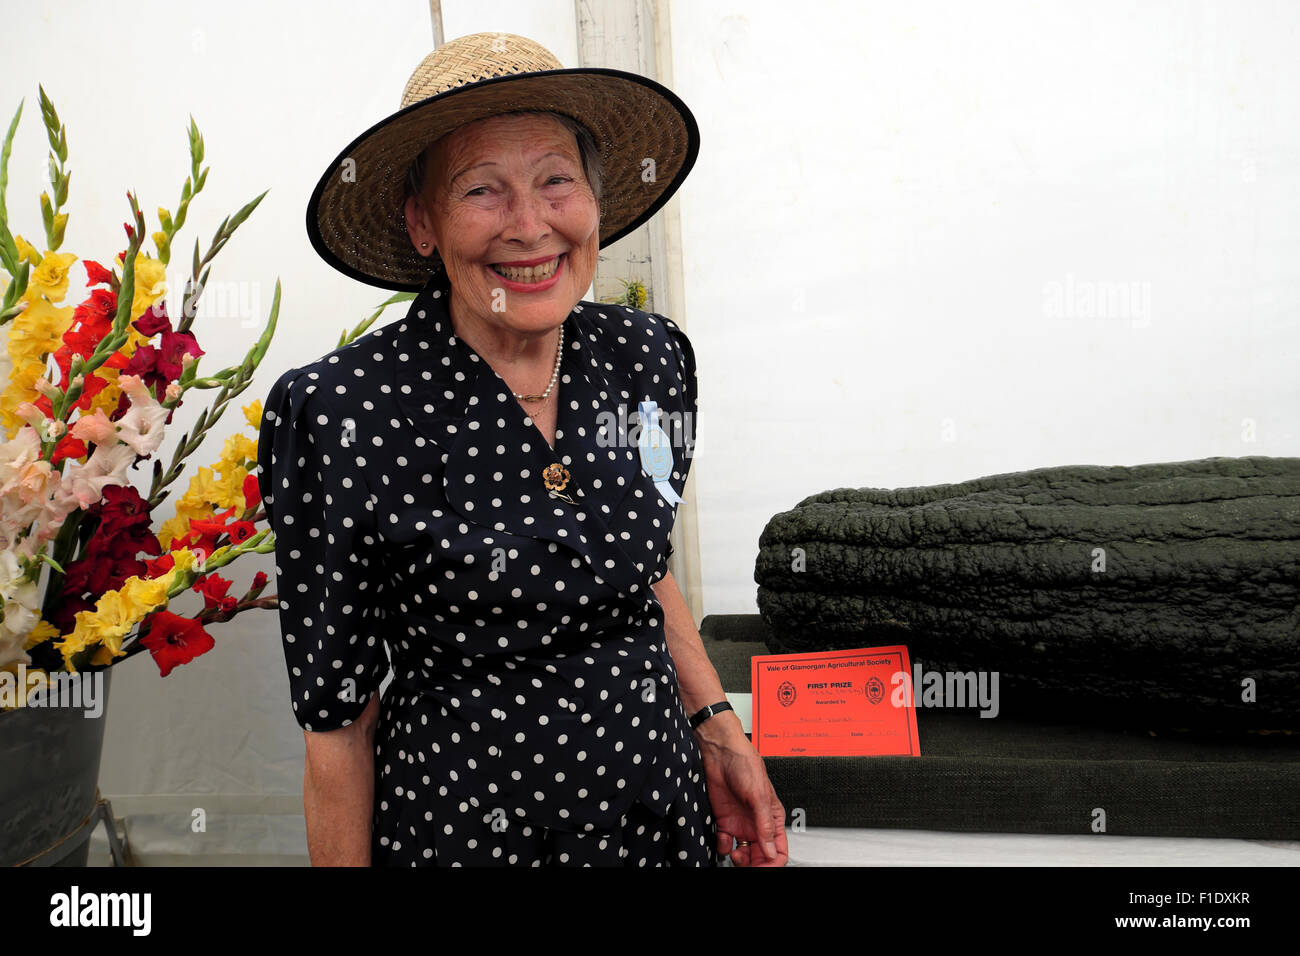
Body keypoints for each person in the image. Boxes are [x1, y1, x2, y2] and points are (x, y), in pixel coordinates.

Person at [257, 31, 787, 866]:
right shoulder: (344, 412)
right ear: (422, 222)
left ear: (595, 201)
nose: (532, 226)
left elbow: (644, 563)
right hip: (469, 835)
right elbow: (341, 729)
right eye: (482, 191)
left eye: (555, 181)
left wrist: (718, 729)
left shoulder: (646, 360)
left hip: (661, 818)